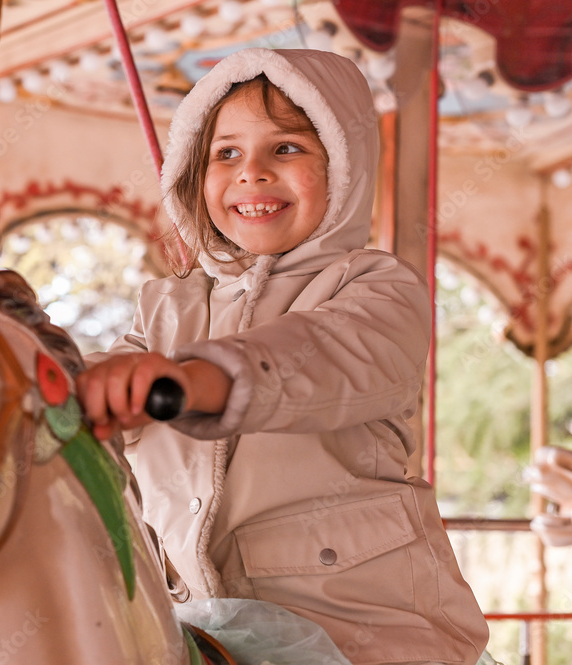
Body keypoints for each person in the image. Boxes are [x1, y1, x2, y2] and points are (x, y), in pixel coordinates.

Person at [76, 48, 489, 665]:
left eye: (288, 149)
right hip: (198, 617)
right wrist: (91, 391)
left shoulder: (377, 288)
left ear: (345, 168)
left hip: (360, 623)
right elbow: (103, 395)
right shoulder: (164, 308)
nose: (252, 173)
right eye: (227, 154)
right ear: (194, 173)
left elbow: (319, 359)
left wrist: (194, 382)